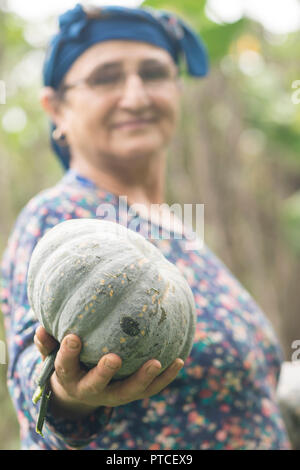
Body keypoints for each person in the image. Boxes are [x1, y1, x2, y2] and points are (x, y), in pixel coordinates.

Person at [0, 4, 291, 450]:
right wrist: (68, 397)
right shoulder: (63, 214)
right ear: (56, 108)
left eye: (154, 74)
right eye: (105, 78)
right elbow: (32, 377)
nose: (136, 96)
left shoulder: (179, 230)